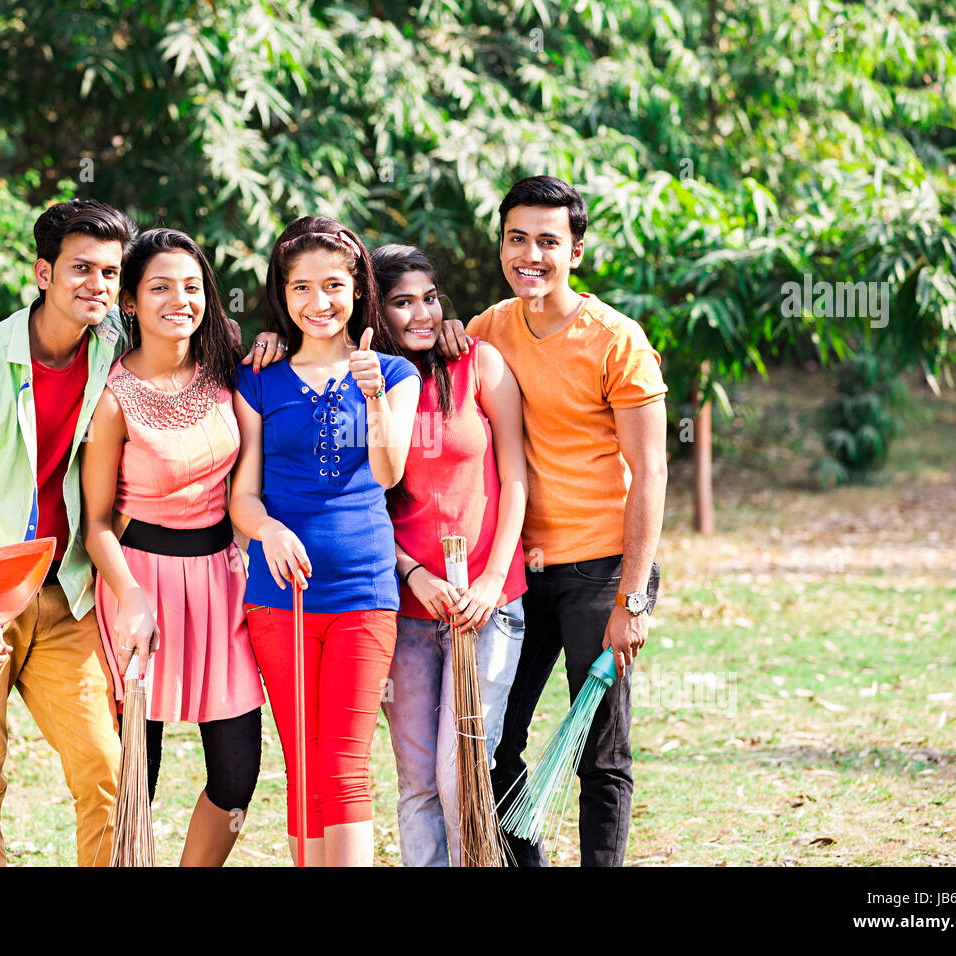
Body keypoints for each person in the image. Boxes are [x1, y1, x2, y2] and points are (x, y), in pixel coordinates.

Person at [437, 176, 668, 867]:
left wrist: (631, 600)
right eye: (516, 239)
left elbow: (651, 473)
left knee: (599, 752)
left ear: (576, 251)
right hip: (513, 571)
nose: (529, 254)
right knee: (491, 740)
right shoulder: (487, 328)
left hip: (601, 571)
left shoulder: (616, 341)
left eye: (547, 241)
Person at [0, 199, 138, 867]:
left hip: (66, 594)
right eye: (80, 269)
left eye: (109, 272)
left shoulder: (115, 349)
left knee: (106, 770)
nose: (97, 285)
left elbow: (200, 352)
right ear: (43, 273)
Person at [230, 216, 422, 866]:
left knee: (343, 764)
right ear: (283, 297)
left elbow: (391, 471)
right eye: (302, 288)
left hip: (364, 591)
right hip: (276, 597)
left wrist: (372, 400)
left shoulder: (395, 374)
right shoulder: (256, 380)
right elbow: (242, 497)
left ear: (358, 289)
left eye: (334, 285)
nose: (320, 303)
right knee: (304, 764)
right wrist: (269, 530)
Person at [81, 227, 265, 867]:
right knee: (139, 771)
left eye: (192, 286)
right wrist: (130, 596)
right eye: (159, 287)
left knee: (238, 772)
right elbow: (96, 521)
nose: (179, 299)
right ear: (130, 302)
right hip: (138, 584)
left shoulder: (229, 370)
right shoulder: (111, 399)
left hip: (220, 581)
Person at [370, 244, 529, 867]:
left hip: (486, 605)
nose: (421, 314)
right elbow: (362, 500)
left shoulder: (479, 366)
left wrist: (492, 580)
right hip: (404, 609)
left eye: (429, 299)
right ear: (375, 311)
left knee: (460, 771)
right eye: (402, 302)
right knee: (414, 781)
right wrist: (412, 573)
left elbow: (516, 477)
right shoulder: (364, 384)